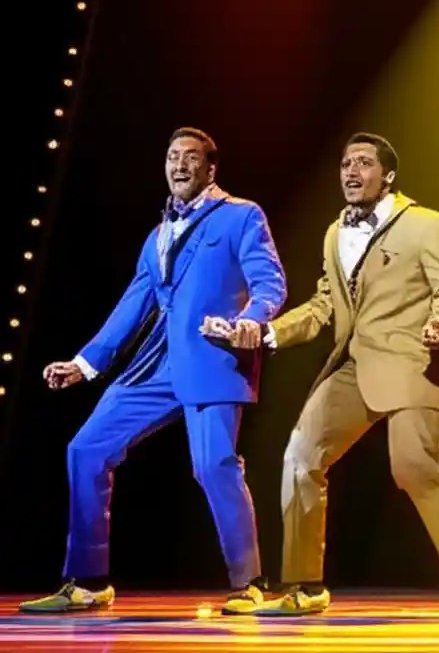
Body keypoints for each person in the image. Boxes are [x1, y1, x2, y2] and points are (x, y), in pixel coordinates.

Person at [208, 133, 439, 617]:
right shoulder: (334, 233)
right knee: (301, 457)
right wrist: (262, 332)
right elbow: (325, 304)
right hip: (353, 365)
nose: (351, 171)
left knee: (413, 468)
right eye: (346, 162)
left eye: (364, 163)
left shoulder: (426, 224)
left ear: (387, 176)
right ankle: (304, 587)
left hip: (414, 360)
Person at [20, 128, 286, 614]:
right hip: (157, 361)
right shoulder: (158, 233)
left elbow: (269, 280)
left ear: (211, 168)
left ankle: (251, 583)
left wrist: (251, 320)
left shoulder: (241, 215)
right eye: (171, 157)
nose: (179, 165)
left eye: (190, 157)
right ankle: (87, 581)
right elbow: (133, 304)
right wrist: (85, 363)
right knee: (86, 449)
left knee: (212, 466)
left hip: (211, 355)